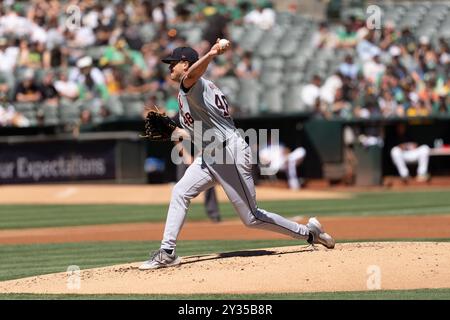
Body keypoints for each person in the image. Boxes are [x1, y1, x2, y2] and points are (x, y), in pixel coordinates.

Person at [139, 42, 335, 270]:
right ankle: (167, 252)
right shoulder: (190, 93)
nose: (169, 68)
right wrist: (173, 131)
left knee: (251, 218)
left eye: (173, 63)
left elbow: (193, 73)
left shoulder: (192, 82)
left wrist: (211, 54)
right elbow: (199, 132)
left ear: (185, 64)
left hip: (227, 152)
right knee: (180, 192)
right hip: (212, 154)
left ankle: (309, 233)